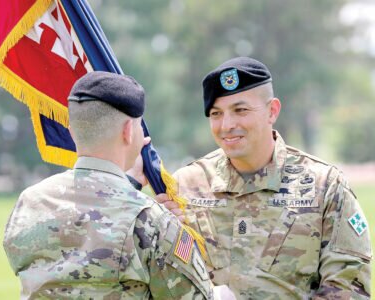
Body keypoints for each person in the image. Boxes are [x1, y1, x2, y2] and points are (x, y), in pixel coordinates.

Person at [149, 57, 372, 299]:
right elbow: (165, 283)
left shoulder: (325, 186)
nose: (227, 125)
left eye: (240, 110)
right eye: (216, 113)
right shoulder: (185, 186)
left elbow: (349, 288)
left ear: (272, 111)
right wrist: (162, 237)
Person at [3, 71, 221, 299]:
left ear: (72, 133)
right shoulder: (150, 218)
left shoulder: (29, 202)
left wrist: (130, 184)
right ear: (128, 131)